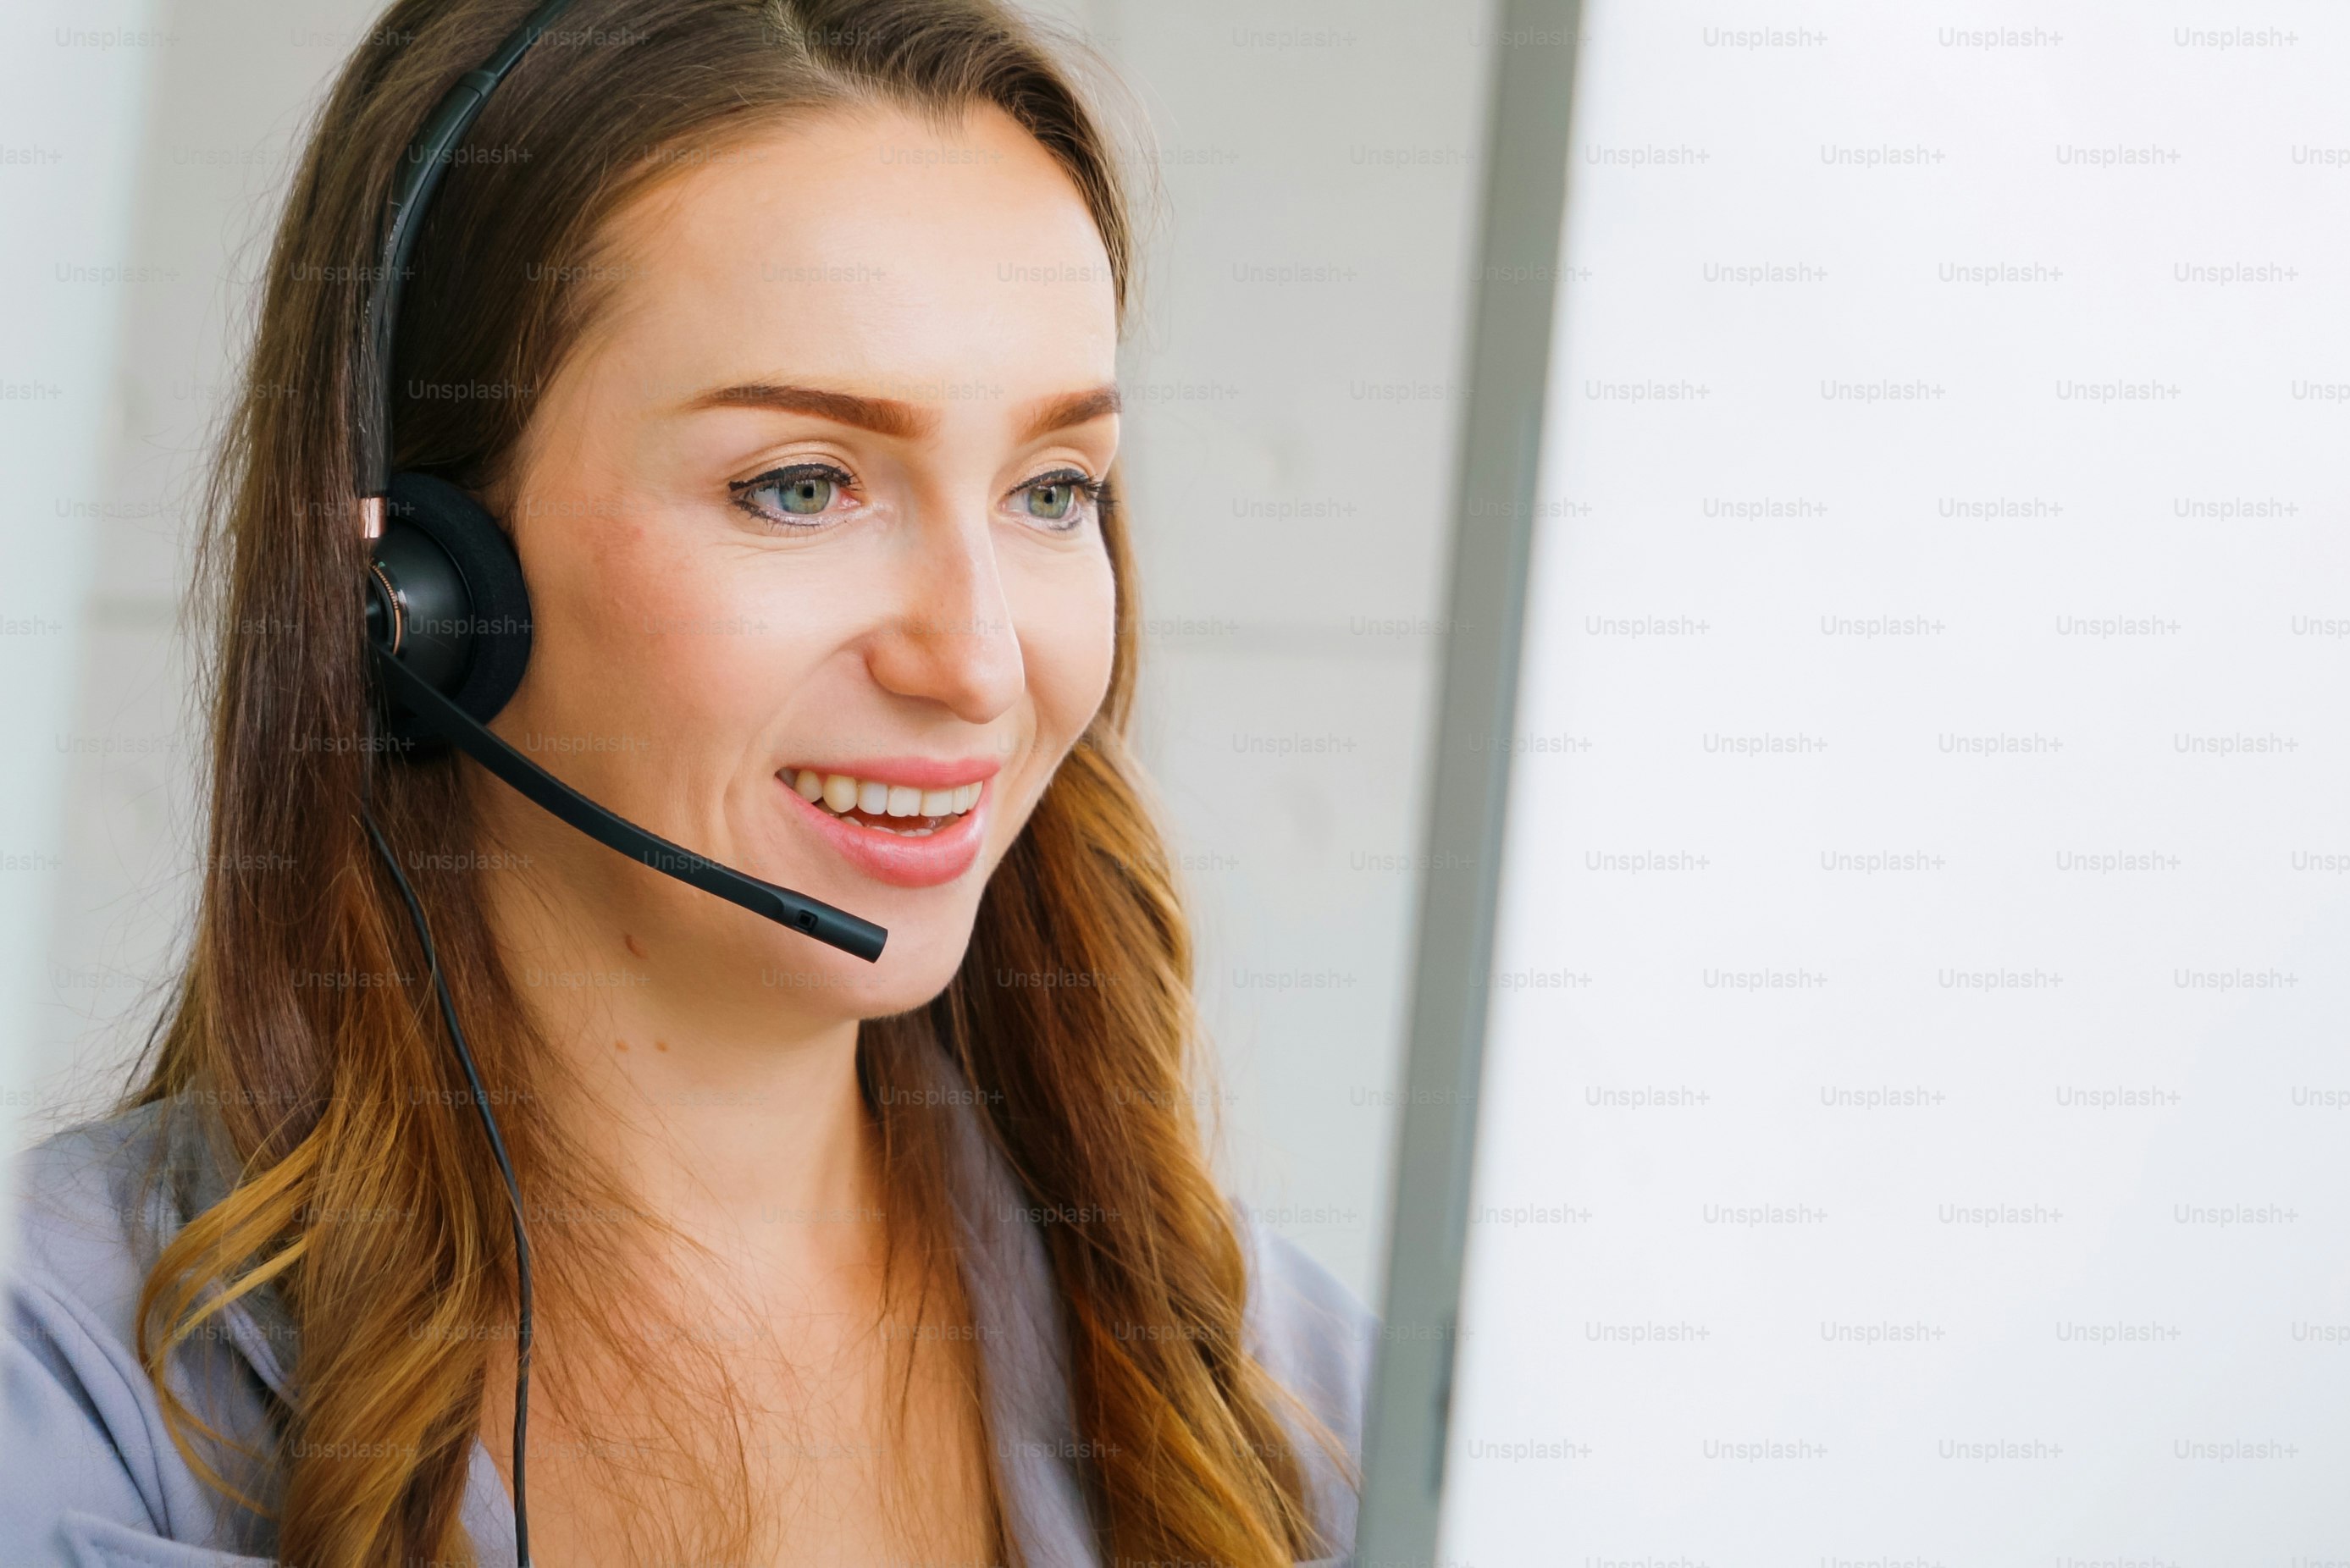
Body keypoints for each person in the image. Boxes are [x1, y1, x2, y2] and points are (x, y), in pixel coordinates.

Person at [0, 3, 1368, 1565]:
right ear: (427, 596)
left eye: (1052, 491)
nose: (980, 664)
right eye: (801, 486)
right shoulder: (69, 1392)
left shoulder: (1290, 1399)